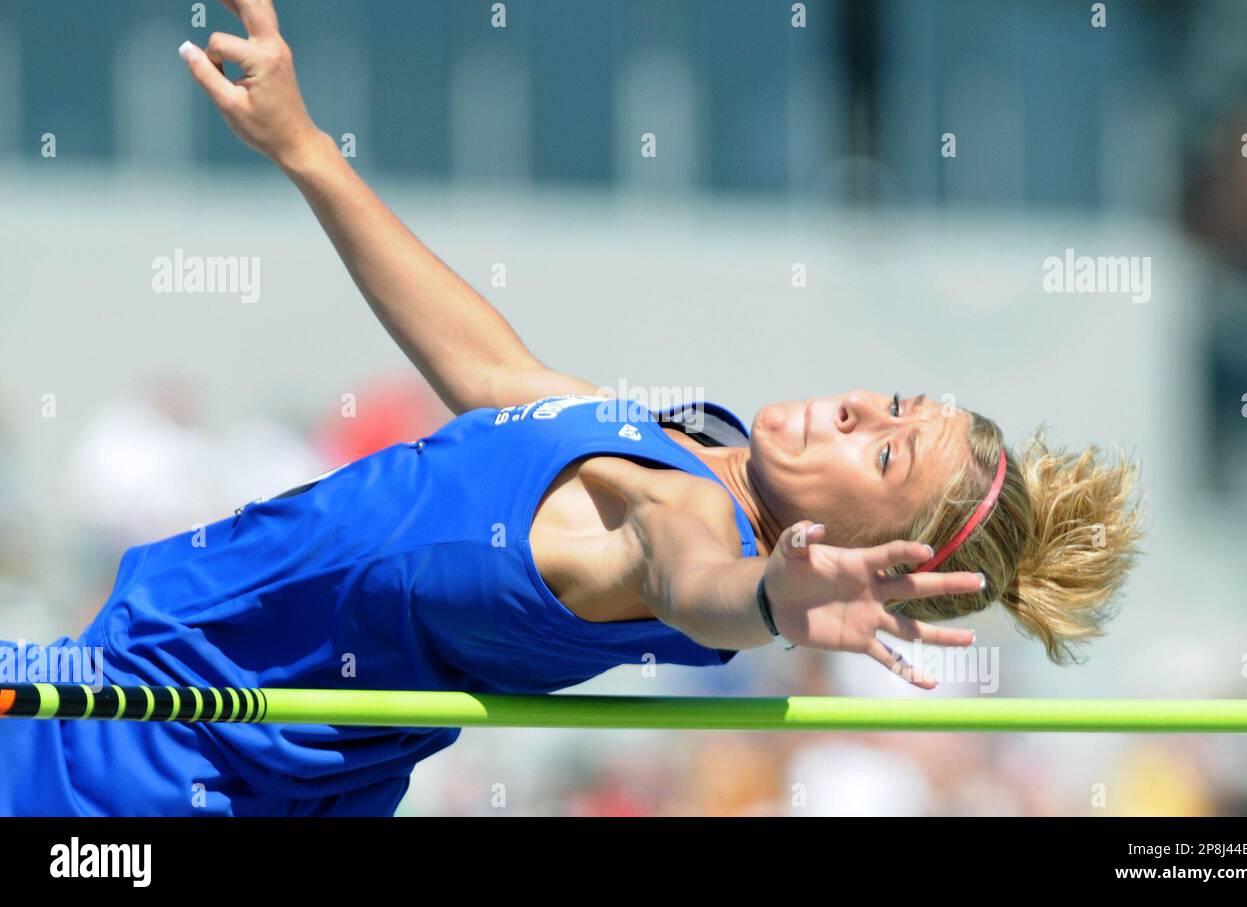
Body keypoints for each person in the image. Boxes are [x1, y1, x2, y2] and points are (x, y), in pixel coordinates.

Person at [0, 0, 1141, 816]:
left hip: (152, 768)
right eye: (888, 403)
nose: (854, 411)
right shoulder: (703, 440)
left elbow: (697, 588)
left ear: (858, 544)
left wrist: (776, 603)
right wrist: (306, 148)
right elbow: (492, 372)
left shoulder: (687, 524)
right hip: (144, 691)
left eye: (882, 453)